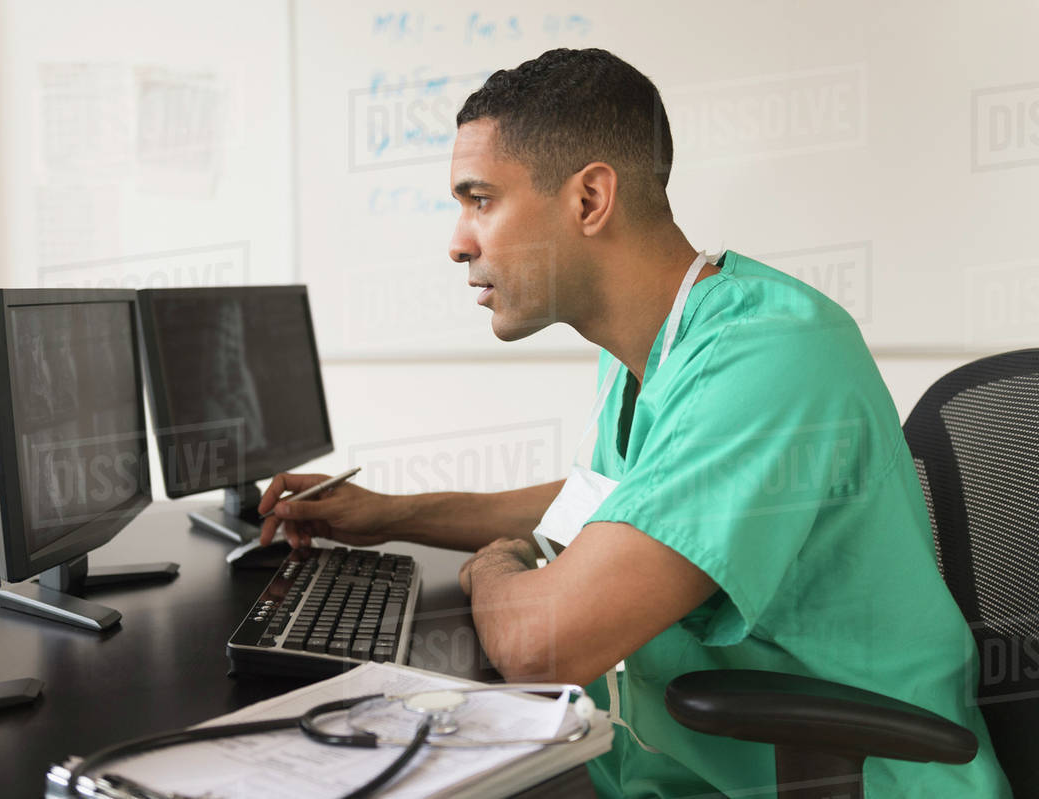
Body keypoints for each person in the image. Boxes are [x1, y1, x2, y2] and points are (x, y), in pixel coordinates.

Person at [258, 48, 1009, 797]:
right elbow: (613, 504)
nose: (458, 241)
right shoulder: (646, 347)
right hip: (678, 766)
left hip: (854, 782)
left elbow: (540, 645)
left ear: (588, 200)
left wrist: (492, 565)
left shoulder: (769, 353)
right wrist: (390, 514)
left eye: (479, 199)